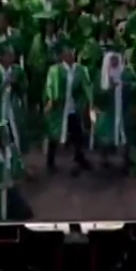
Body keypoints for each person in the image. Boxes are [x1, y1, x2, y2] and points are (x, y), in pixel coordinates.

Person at [42, 43, 93, 174]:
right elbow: (50, 86)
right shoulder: (55, 70)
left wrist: (90, 102)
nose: (70, 55)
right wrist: (51, 100)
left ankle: (79, 157)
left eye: (72, 52)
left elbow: (86, 86)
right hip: (58, 107)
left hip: (72, 107)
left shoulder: (80, 69)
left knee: (77, 133)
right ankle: (50, 161)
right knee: (53, 134)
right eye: (67, 53)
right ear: (62, 56)